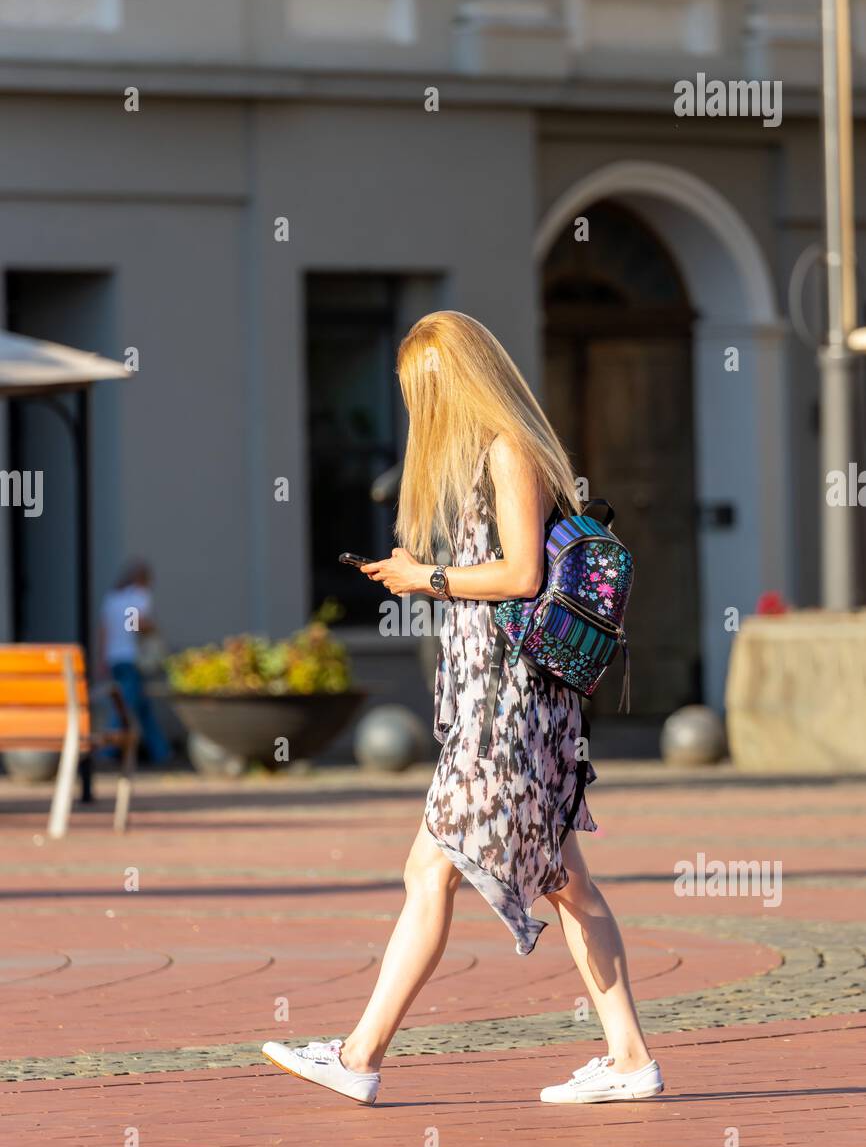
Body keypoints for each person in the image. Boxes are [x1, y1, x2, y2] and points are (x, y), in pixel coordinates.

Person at [262, 311, 662, 1106]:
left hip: (507, 714)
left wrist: (429, 580)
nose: (419, 408)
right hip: (510, 709)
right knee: (560, 882)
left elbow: (517, 576)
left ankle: (359, 1055)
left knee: (435, 869)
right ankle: (628, 1058)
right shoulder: (499, 454)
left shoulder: (509, 451)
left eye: (422, 390)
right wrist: (426, 568)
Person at [98, 560, 172, 765]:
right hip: (131, 657)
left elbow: (104, 630)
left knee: (142, 706)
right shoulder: (139, 596)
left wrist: (102, 658)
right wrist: (152, 627)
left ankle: (161, 751)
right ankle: (107, 750)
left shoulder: (112, 598)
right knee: (124, 707)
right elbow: (135, 624)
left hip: (114, 657)